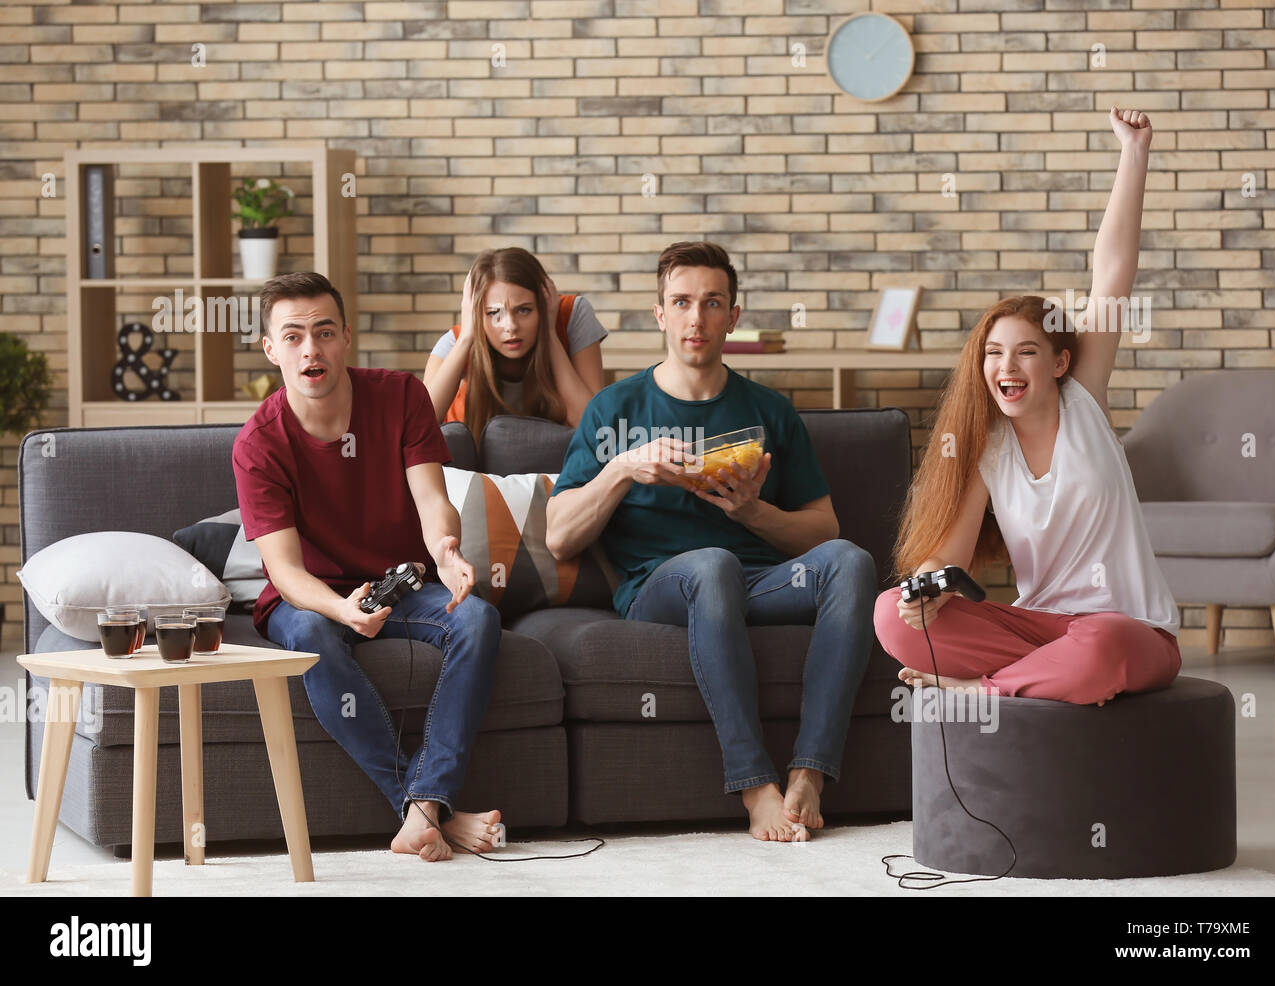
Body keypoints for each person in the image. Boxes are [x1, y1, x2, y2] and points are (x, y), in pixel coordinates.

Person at [546, 241, 877, 844]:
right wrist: (623, 468)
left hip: (761, 585)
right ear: (659, 313)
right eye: (682, 302)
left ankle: (809, 773)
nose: (696, 318)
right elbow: (560, 535)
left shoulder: (768, 411)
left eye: (711, 303)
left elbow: (823, 528)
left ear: (733, 314)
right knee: (711, 565)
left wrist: (753, 512)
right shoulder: (613, 409)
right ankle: (755, 785)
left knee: (852, 562)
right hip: (662, 588)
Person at [874, 109, 1180, 707]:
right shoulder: (987, 446)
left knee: (1099, 645)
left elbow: (1112, 272)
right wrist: (927, 590)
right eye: (993, 353)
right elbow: (950, 554)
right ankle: (1031, 681)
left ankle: (979, 691)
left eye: (1026, 353)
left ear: (1061, 363)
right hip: (1037, 631)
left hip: (1130, 631)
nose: (1006, 368)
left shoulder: (1082, 400)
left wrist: (1134, 154)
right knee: (890, 616)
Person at [233, 271, 503, 863]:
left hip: (398, 582)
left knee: (478, 619)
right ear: (271, 349)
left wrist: (447, 551)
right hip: (310, 596)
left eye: (325, 332)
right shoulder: (259, 443)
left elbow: (432, 499)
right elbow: (282, 569)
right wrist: (340, 609)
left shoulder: (400, 397)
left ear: (346, 338)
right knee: (308, 635)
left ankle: (426, 809)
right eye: (295, 335)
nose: (312, 349)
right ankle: (425, 807)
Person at [423, 247, 608, 439]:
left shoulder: (570, 315)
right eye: (494, 313)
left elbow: (594, 427)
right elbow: (419, 426)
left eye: (524, 310)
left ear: (543, 306)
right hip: (474, 463)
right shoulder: (457, 341)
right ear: (475, 313)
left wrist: (549, 334)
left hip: (554, 458)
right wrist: (467, 339)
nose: (510, 326)